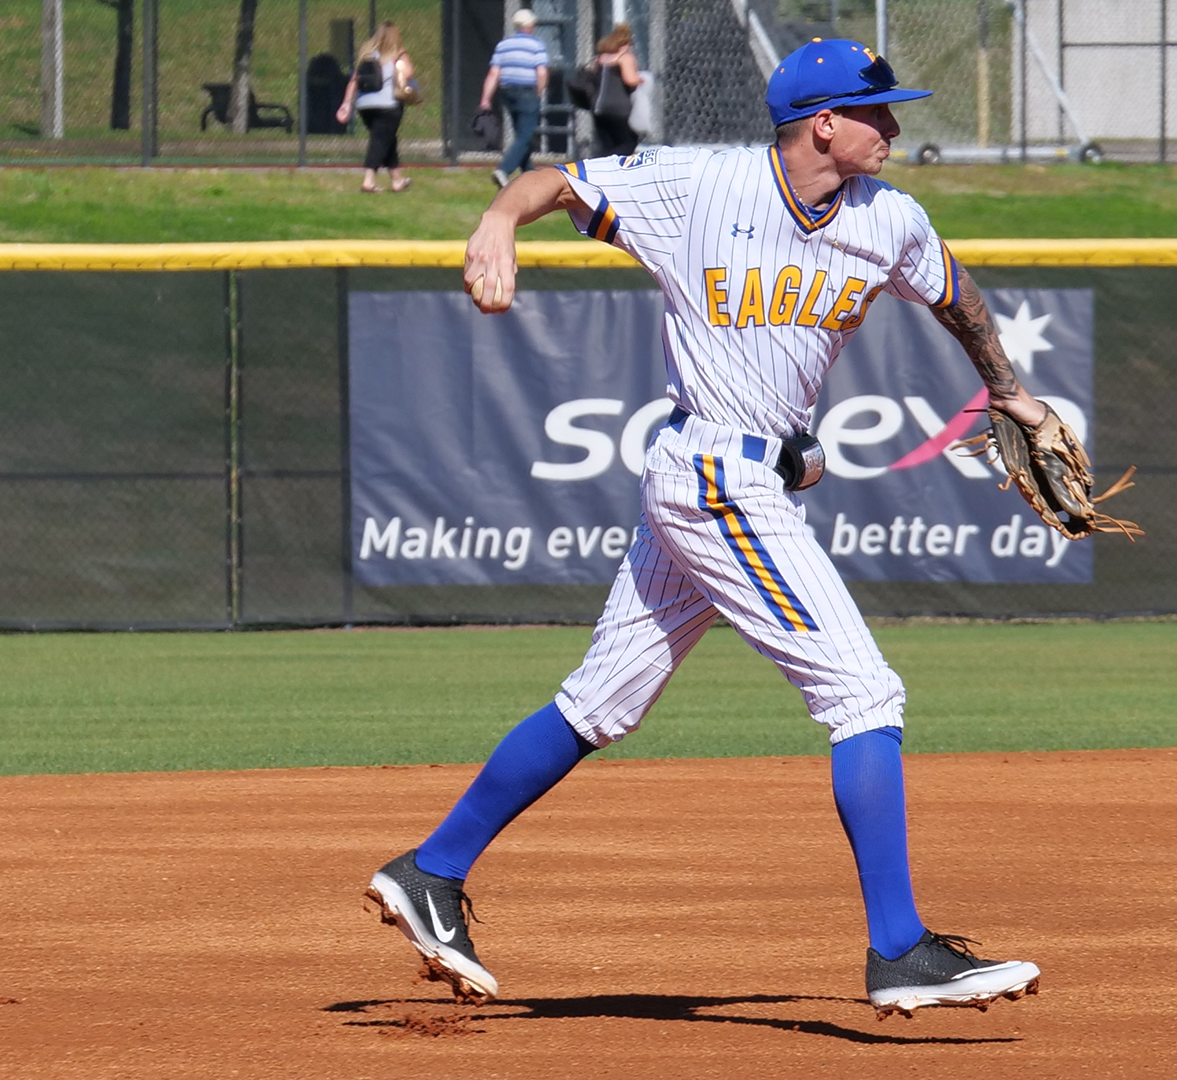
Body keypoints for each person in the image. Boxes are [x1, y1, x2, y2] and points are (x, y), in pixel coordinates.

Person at [365, 39, 1047, 1020]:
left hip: (746, 473)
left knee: (603, 702)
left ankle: (432, 870)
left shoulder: (888, 217)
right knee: (863, 694)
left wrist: (1009, 391)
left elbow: (955, 292)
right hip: (714, 475)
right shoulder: (700, 187)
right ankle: (899, 948)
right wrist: (497, 219)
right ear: (823, 124)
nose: (894, 126)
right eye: (877, 112)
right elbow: (556, 181)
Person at [335, 21, 413, 193]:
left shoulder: (367, 55)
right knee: (380, 141)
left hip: (365, 107)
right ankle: (368, 181)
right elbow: (408, 73)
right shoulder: (397, 53)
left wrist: (346, 104)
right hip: (389, 105)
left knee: (386, 139)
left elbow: (354, 81)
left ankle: (397, 180)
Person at [480, 8, 551, 189]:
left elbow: (494, 73)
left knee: (522, 134)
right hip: (527, 91)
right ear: (531, 25)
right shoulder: (536, 44)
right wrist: (539, 91)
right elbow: (542, 72)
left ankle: (530, 175)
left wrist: (485, 99)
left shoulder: (504, 45)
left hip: (507, 92)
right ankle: (504, 170)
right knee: (526, 135)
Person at [587, 24, 642, 157]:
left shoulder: (600, 58)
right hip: (618, 108)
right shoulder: (625, 57)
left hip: (598, 107)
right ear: (625, 43)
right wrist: (641, 79)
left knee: (606, 143)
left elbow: (592, 75)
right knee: (628, 142)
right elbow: (630, 79)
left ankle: (601, 163)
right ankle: (610, 163)